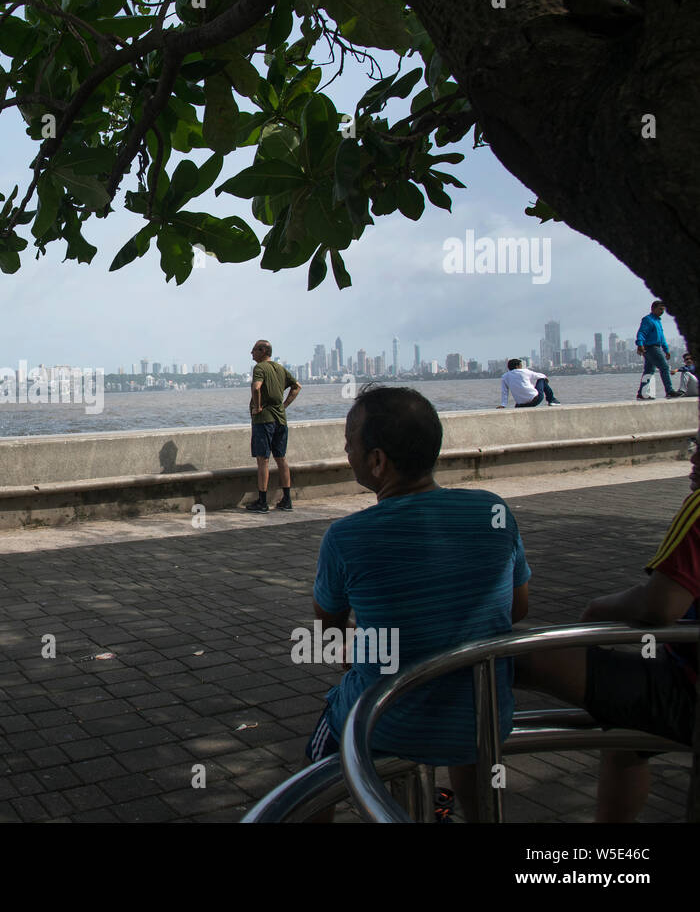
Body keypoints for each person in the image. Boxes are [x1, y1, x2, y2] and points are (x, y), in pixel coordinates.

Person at [304, 386, 530, 822]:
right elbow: (517, 610)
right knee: (468, 741)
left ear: (377, 461)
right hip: (482, 713)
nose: (345, 448)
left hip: (386, 718)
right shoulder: (492, 510)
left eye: (350, 439)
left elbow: (330, 629)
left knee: (313, 771)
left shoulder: (346, 536)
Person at [518, 444, 698, 821]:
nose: (693, 458)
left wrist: (597, 611)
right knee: (625, 740)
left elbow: (660, 606)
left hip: (687, 689)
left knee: (517, 654)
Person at [245, 339, 301, 512]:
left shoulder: (260, 368)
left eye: (254, 350)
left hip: (264, 421)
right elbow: (297, 387)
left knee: (263, 460)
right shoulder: (280, 368)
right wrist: (284, 406)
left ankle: (262, 502)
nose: (251, 353)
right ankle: (287, 500)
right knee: (281, 459)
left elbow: (256, 387)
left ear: (263, 351)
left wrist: (258, 406)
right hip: (281, 421)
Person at [636, 300, 680, 399]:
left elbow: (661, 337)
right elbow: (641, 333)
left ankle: (641, 393)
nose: (662, 311)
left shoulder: (658, 321)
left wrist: (666, 349)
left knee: (648, 371)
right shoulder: (648, 320)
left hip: (655, 347)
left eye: (663, 309)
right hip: (651, 348)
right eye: (660, 309)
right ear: (653, 309)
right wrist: (640, 344)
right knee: (664, 367)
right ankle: (669, 390)